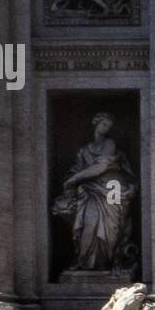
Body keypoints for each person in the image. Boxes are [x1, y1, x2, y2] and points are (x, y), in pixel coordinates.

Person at [55, 112, 138, 272]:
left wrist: (73, 180)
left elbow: (101, 167)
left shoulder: (110, 143)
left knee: (113, 228)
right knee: (89, 225)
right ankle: (85, 262)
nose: (106, 128)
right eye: (104, 124)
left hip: (113, 189)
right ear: (96, 123)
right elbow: (76, 170)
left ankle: (111, 262)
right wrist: (72, 180)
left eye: (109, 126)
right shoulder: (84, 150)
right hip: (91, 192)